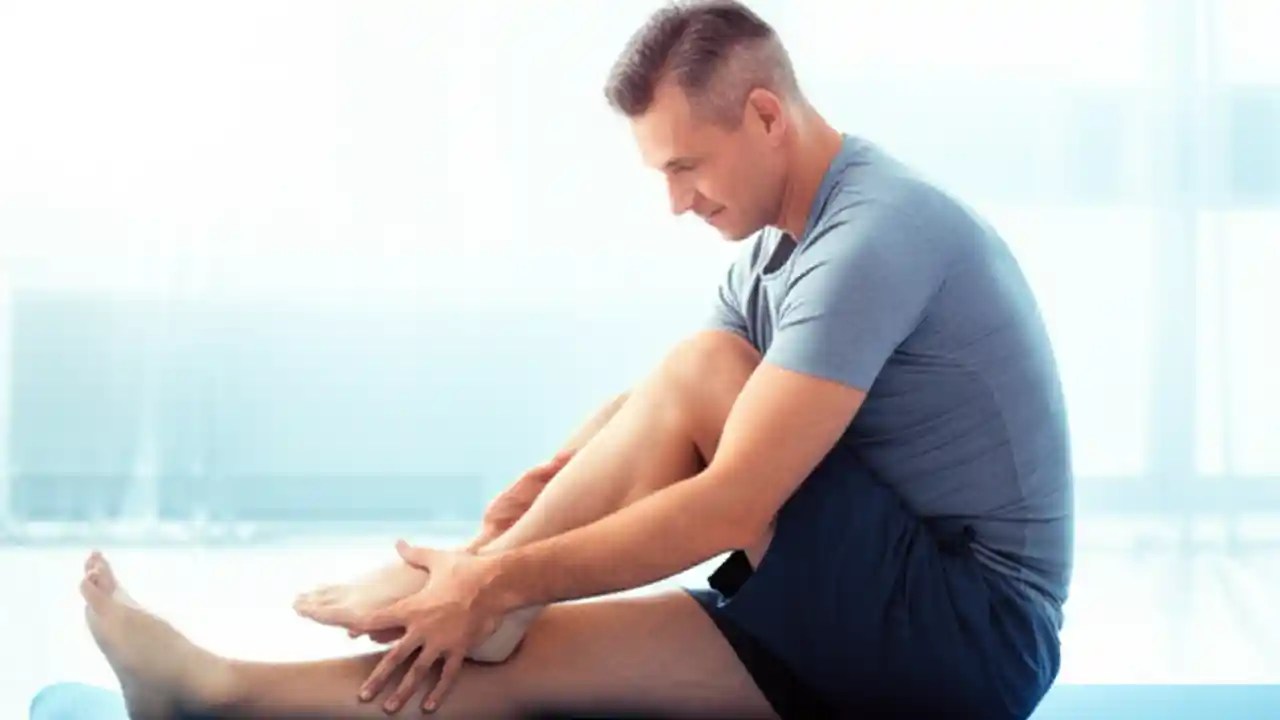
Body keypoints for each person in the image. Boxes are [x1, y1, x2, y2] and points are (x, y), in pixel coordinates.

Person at [68, 1, 1071, 717]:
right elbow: (646, 417)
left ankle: (491, 589)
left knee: (695, 377)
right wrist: (507, 526)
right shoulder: (771, 243)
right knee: (517, 668)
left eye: (685, 165)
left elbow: (726, 496)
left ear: (766, 115)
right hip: (859, 620)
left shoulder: (871, 235)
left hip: (967, 640)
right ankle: (215, 694)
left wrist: (495, 578)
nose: (675, 200)